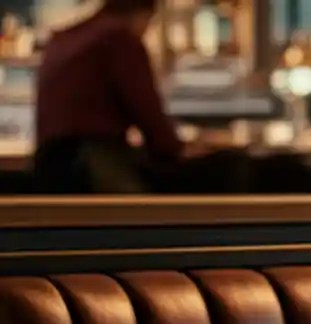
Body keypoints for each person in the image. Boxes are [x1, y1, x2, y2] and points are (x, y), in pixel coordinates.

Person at [33, 0, 207, 193]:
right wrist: (178, 149)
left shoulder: (63, 39)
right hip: (94, 165)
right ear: (144, 13)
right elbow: (148, 115)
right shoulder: (118, 39)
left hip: (49, 170)